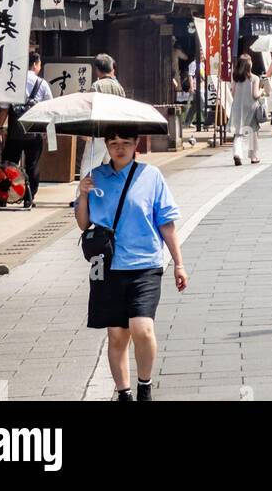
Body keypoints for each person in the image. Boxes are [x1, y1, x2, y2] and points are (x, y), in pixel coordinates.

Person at [76, 126, 186, 401]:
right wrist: (83, 193)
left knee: (142, 329)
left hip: (145, 264)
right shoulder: (95, 177)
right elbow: (83, 223)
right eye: (113, 143)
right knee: (117, 335)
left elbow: (166, 222)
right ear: (106, 145)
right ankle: (124, 393)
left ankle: (144, 386)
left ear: (137, 143)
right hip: (108, 266)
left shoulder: (151, 175)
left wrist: (178, 263)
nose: (120, 148)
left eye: (126, 142)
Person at [0, 49, 52, 209]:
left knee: (8, 164)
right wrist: (48, 131)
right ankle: (29, 198)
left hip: (15, 132)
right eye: (39, 64)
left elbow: (4, 109)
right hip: (35, 132)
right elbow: (49, 108)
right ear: (35, 65)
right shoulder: (42, 84)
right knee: (32, 165)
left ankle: (2, 198)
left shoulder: (12, 82)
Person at [80, 55, 127, 177]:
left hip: (99, 132)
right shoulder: (119, 88)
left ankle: (86, 189)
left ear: (97, 70)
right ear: (111, 69)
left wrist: (85, 131)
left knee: (89, 166)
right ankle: (114, 187)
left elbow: (90, 109)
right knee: (111, 165)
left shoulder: (96, 86)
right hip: (115, 132)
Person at [229, 54, 262, 165]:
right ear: (249, 65)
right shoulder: (254, 78)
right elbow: (255, 95)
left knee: (238, 132)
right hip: (250, 108)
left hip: (237, 107)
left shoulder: (235, 78)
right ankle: (253, 156)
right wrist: (262, 91)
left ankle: (237, 153)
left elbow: (233, 93)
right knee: (252, 131)